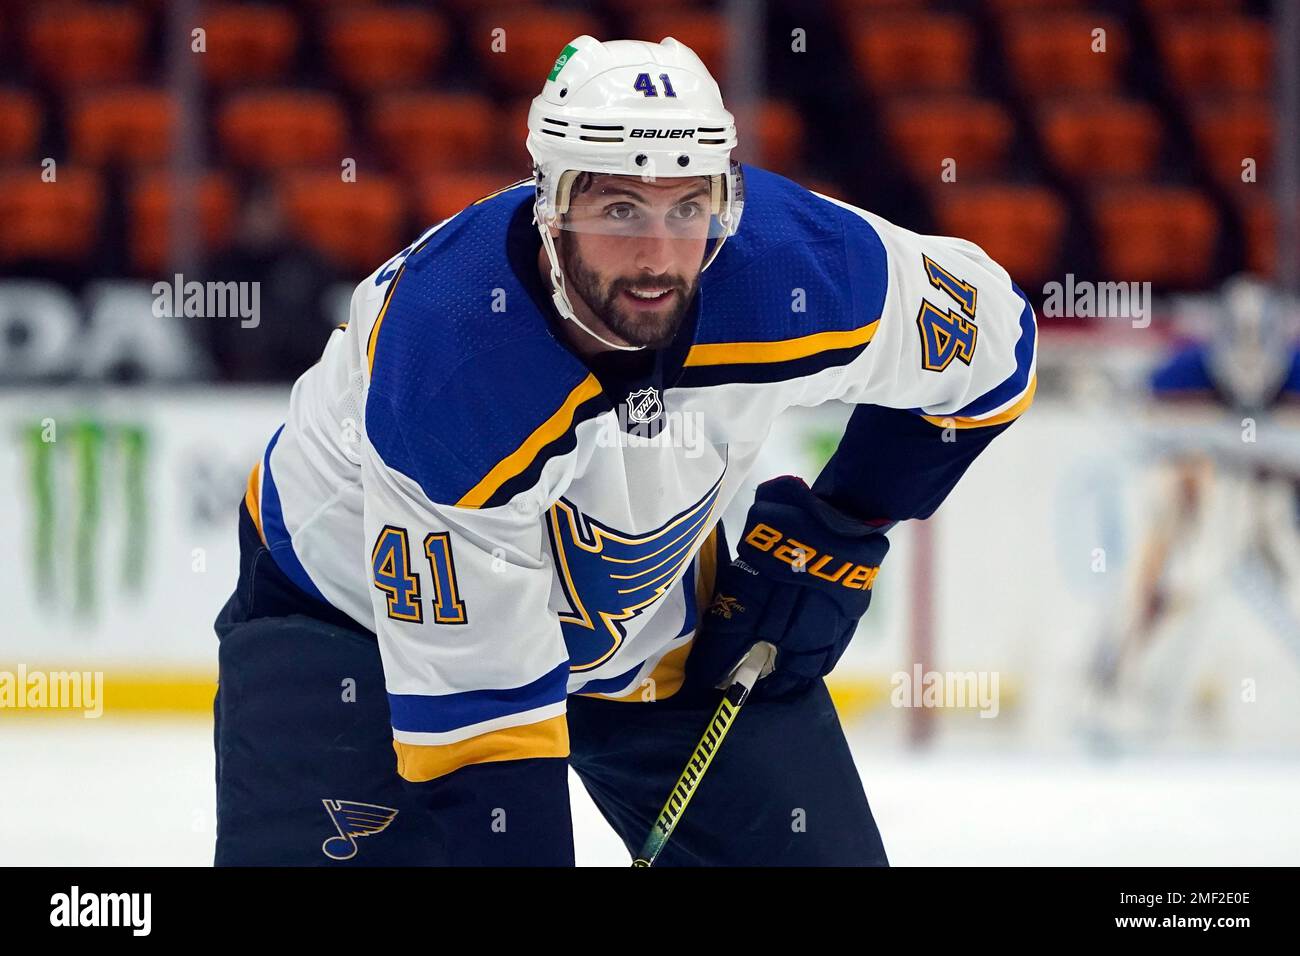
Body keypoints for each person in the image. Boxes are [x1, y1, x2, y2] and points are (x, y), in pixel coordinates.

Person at [213, 35, 1037, 866]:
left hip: (652, 626)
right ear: (548, 203)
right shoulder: (451, 371)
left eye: (687, 207)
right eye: (618, 210)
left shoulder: (800, 267)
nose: (656, 257)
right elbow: (484, 753)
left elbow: (996, 347)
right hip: (351, 622)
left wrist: (839, 531)